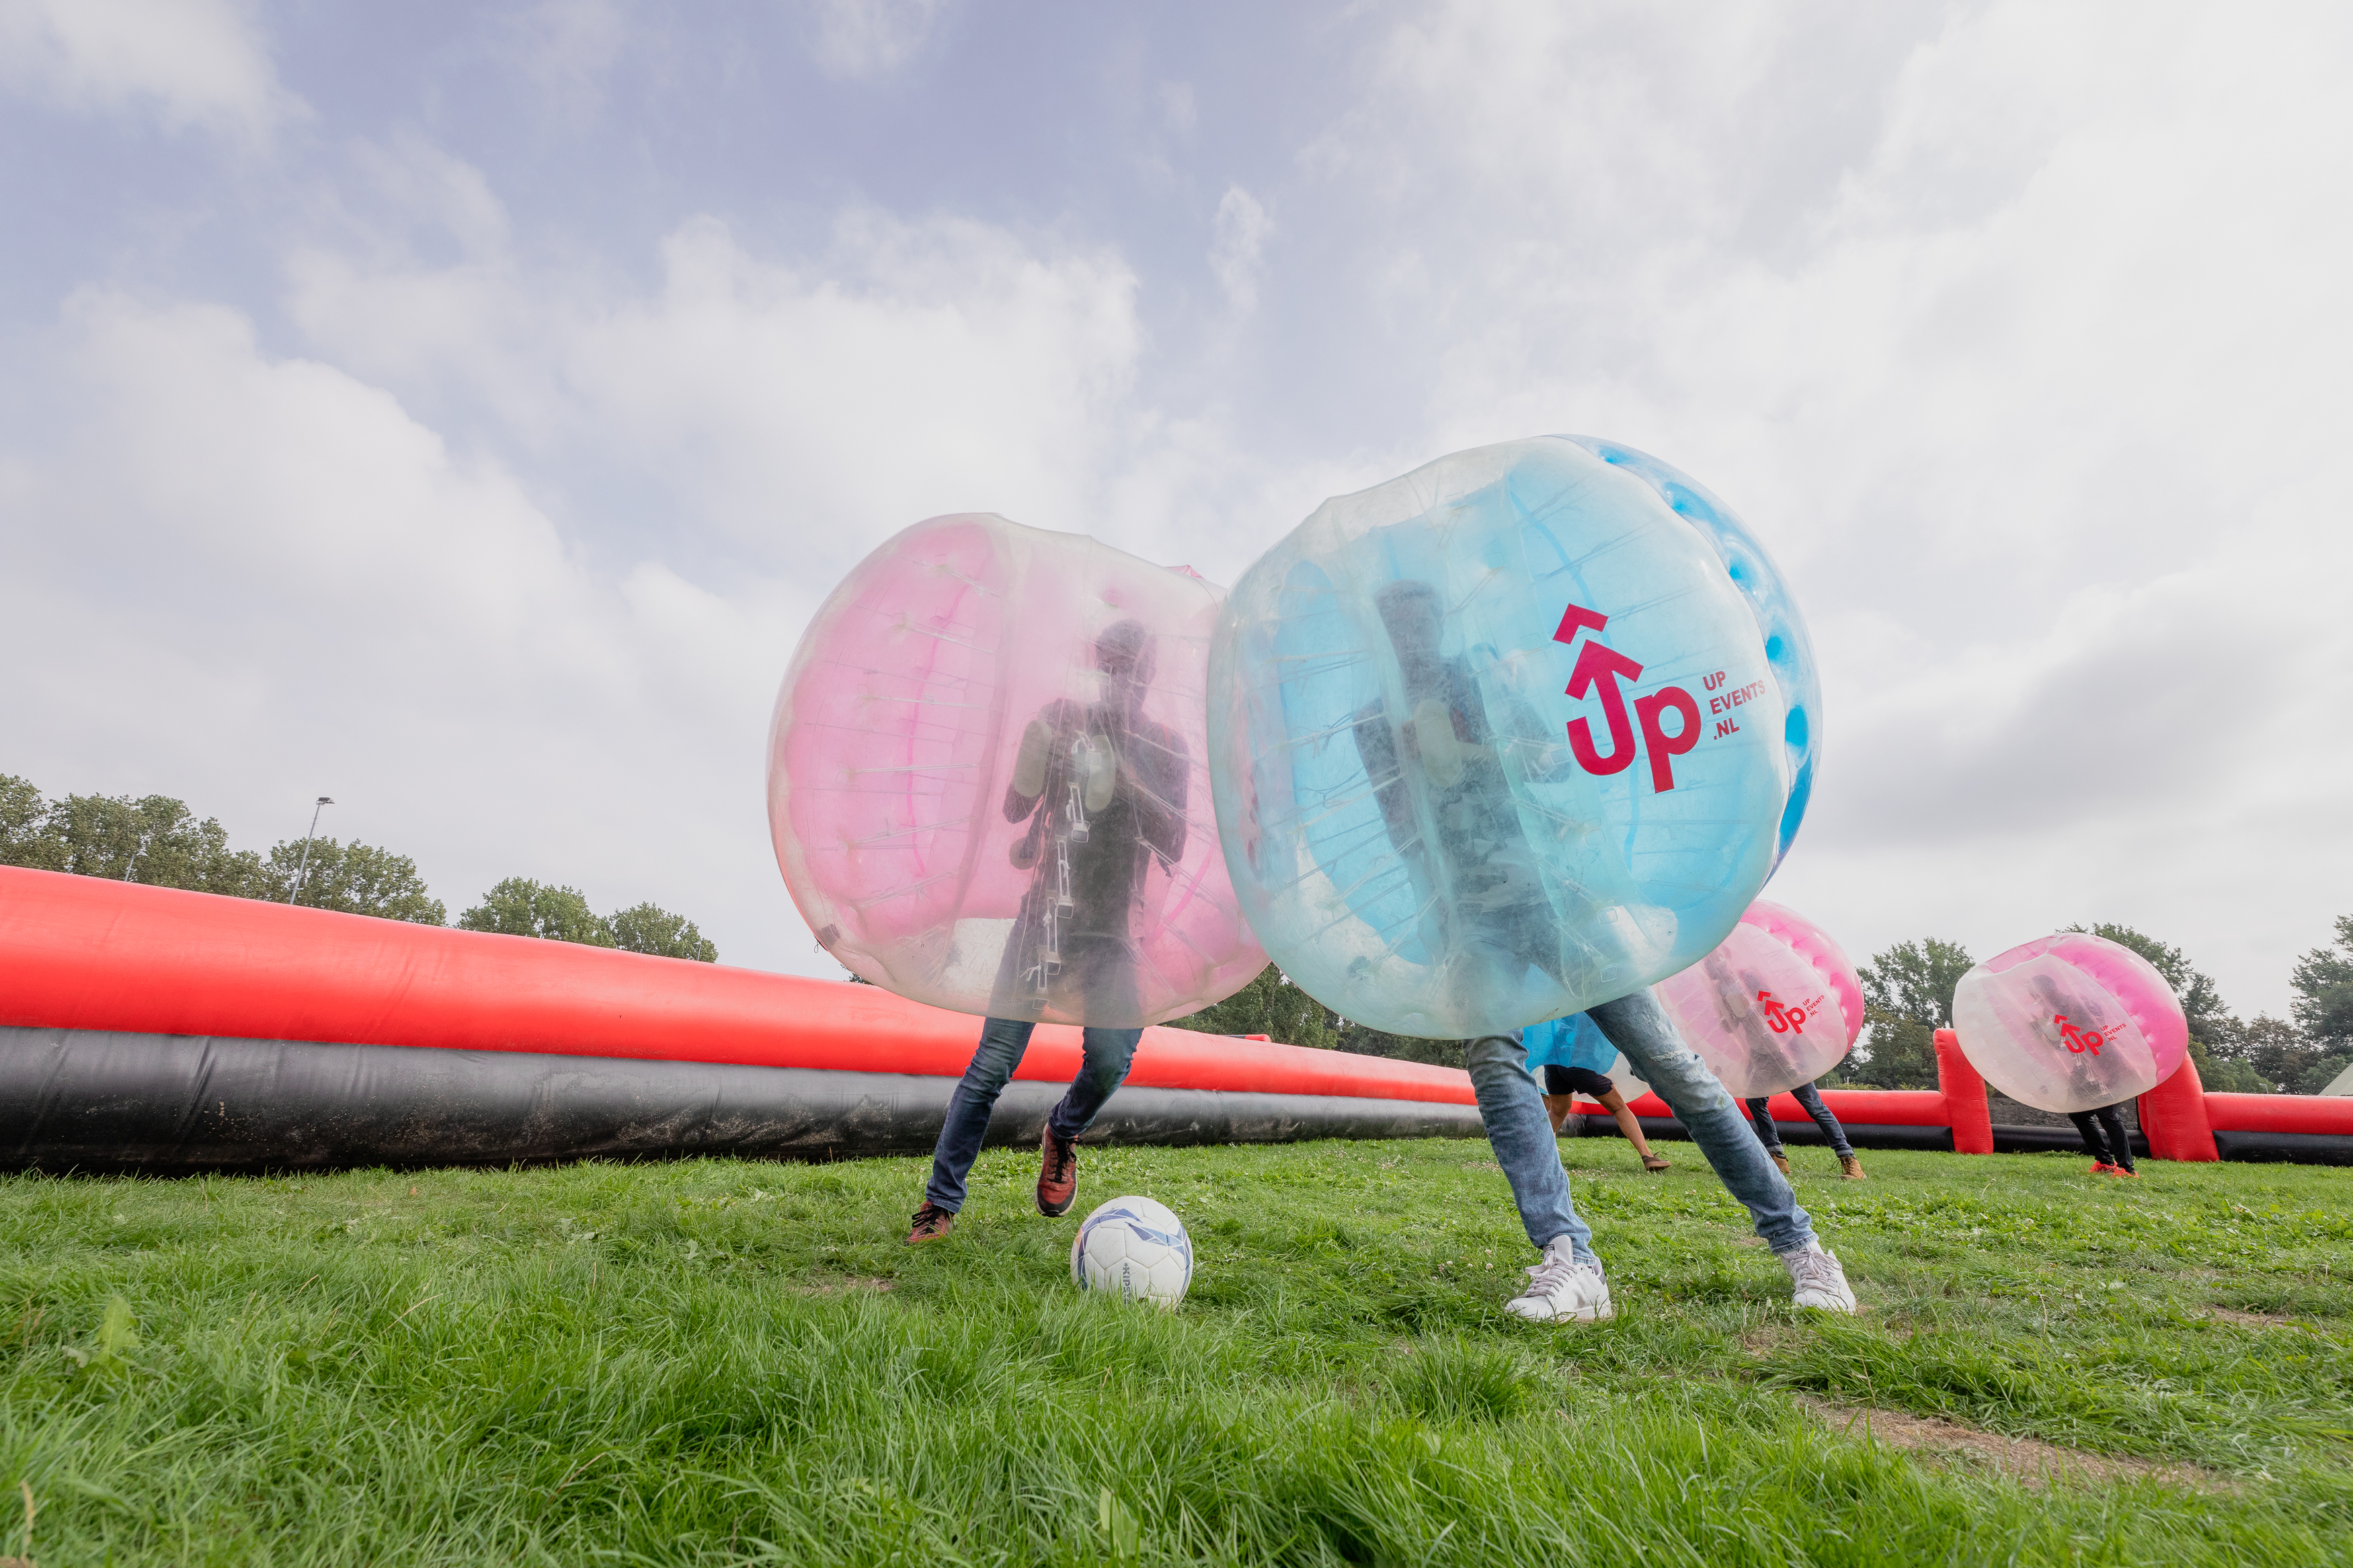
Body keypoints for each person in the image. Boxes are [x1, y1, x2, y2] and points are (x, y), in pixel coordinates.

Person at [1351, 581, 1857, 1321]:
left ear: (1436, 620)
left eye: (1418, 618)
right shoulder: (1374, 720)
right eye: (1393, 623)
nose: (1409, 635)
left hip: (1553, 895)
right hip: (1473, 915)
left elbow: (1554, 763)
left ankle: (1800, 1244)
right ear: (1383, 634)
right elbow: (1400, 831)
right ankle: (1568, 1255)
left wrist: (1484, 741)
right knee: (1492, 1057)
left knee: (1672, 1068)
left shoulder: (1483, 675)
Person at [906, 620, 1190, 1244]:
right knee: (991, 1066)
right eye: (1110, 664)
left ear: (1147, 676)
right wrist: (1036, 762)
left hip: (1114, 934)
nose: (1120, 678)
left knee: (1113, 1059)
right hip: (1046, 922)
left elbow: (1174, 842)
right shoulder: (1063, 718)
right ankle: (939, 1202)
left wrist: (1127, 777)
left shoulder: (1167, 746)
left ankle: (1063, 1129)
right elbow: (1014, 809)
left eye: (1132, 668)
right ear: (1099, 666)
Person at [1523, 1013, 1671, 1172]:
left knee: (1558, 1111)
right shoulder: (1598, 1009)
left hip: (1554, 1062)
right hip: (1579, 1065)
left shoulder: (1568, 1010)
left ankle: (1528, 1152)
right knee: (1618, 1108)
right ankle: (1647, 1156)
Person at [1744, 1083, 1867, 1180]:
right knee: (1754, 1102)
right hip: (1762, 1064)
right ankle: (1777, 1158)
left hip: (1790, 1062)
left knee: (1815, 1107)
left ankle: (1849, 1160)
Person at [2069, 1101, 2139, 1178]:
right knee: (2078, 1115)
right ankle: (2105, 1162)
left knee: (2107, 1113)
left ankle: (2126, 1169)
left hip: (2110, 1089)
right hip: (2089, 1090)